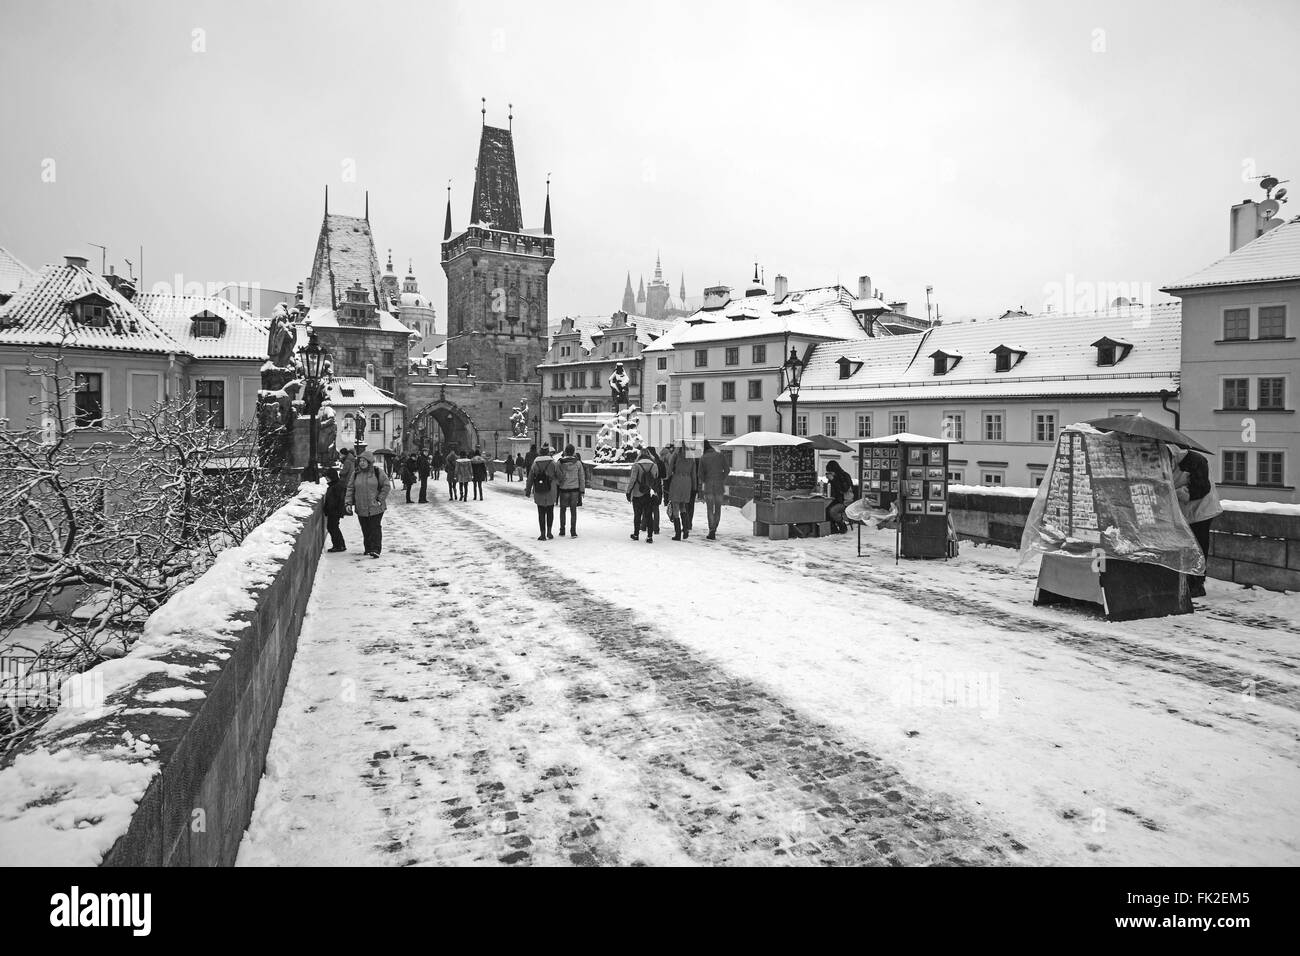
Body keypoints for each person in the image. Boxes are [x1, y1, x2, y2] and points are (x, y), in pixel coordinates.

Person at [1171, 444, 1222, 599]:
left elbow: (1201, 488)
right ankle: (1188, 581)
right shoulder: (1166, 462)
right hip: (1186, 511)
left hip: (1202, 511)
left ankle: (1197, 584)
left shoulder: (1195, 460)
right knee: (1187, 547)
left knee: (1199, 546)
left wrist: (1181, 493)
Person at [345, 450, 390, 558]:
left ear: (369, 462)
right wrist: (348, 503)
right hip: (361, 507)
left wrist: (380, 499)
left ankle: (376, 549)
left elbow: (386, 486)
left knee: (374, 527)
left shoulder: (377, 472)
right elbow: (350, 489)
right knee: (365, 529)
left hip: (376, 506)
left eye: (364, 461)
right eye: (360, 461)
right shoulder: (356, 474)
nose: (362, 463)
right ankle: (368, 548)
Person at [698, 439, 731, 540]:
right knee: (717, 508)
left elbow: (700, 475)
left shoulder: (703, 458)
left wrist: (705, 480)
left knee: (709, 509)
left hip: (709, 486)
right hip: (719, 486)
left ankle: (711, 529)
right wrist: (722, 478)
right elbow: (727, 469)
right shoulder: (720, 455)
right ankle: (715, 527)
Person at [627, 447, 660, 542]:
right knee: (649, 515)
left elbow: (632, 480)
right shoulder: (654, 465)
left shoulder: (636, 465)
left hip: (637, 493)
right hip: (648, 493)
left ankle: (636, 534)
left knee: (637, 515)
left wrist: (628, 491)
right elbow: (655, 479)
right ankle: (650, 536)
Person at [666, 442, 699, 540]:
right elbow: (694, 475)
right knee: (683, 506)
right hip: (687, 483)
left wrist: (668, 478)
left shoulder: (676, 455)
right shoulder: (691, 458)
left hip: (677, 480)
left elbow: (669, 470)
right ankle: (685, 529)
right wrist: (694, 487)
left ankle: (677, 533)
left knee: (676, 506)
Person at [526, 444, 559, 540]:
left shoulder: (535, 464)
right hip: (551, 490)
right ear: (548, 452)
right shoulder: (553, 463)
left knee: (541, 513)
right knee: (550, 511)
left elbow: (530, 478)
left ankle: (542, 534)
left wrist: (528, 490)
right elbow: (559, 475)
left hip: (539, 490)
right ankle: (549, 532)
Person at [556, 443, 587, 536]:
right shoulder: (577, 463)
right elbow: (581, 477)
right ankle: (573, 531)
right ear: (573, 452)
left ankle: (562, 529)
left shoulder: (560, 462)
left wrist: (559, 483)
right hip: (574, 489)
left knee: (563, 510)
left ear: (565, 451)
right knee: (573, 510)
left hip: (564, 489)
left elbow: (557, 475)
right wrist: (582, 490)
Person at [825, 460, 855, 534]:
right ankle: (833, 528)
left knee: (832, 511)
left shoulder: (844, 476)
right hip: (837, 500)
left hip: (846, 501)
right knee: (825, 509)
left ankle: (842, 525)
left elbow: (844, 489)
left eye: (830, 471)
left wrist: (833, 480)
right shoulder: (834, 478)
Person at [323, 467, 347, 552]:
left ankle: (339, 545)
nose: (326, 478)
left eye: (327, 477)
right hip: (333, 511)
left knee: (333, 527)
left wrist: (330, 509)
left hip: (334, 511)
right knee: (333, 527)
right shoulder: (334, 485)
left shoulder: (336, 486)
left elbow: (336, 500)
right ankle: (339, 545)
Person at [647, 445, 667, 537]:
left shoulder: (648, 462)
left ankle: (644, 525)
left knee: (646, 507)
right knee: (656, 508)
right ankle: (656, 528)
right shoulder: (660, 462)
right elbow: (664, 475)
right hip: (658, 486)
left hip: (649, 485)